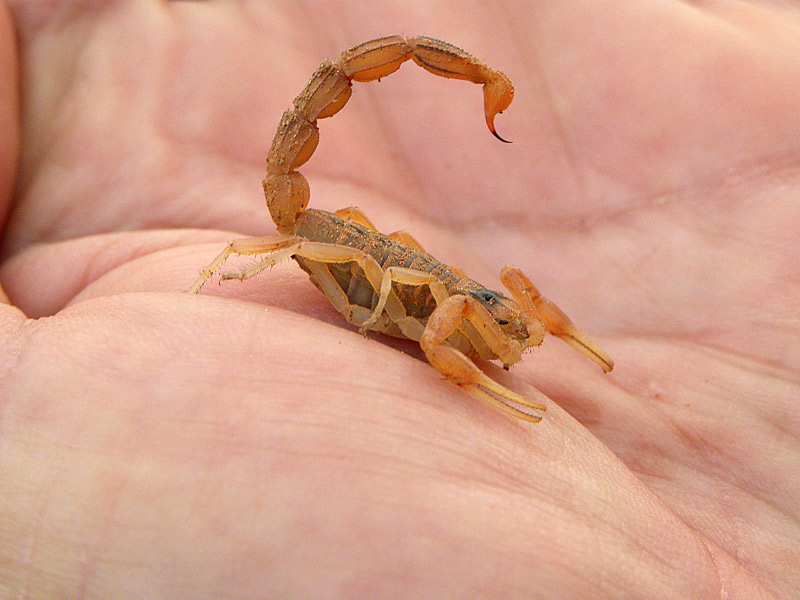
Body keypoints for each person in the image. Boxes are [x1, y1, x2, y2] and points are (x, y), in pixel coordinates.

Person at [0, 2, 797, 598]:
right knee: (406, 276)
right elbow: (436, 307)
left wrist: (576, 345)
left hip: (388, 267)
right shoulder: (452, 313)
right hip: (350, 267)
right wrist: (485, 385)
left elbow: (510, 303)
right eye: (513, 330)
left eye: (518, 329)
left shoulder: (495, 312)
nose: (517, 335)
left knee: (431, 280)